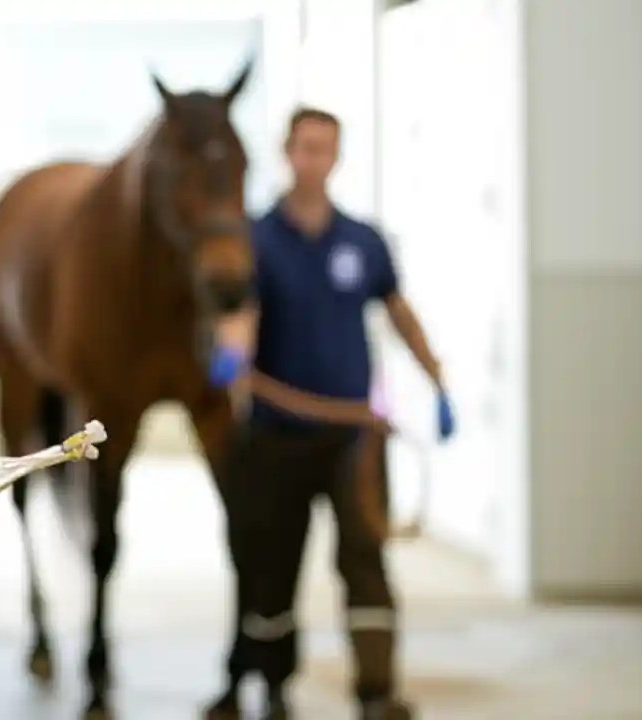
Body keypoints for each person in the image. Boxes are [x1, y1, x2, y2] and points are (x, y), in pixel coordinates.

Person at [209, 108, 456, 720]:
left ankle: (377, 692)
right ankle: (272, 688)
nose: (313, 159)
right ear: (286, 153)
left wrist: (436, 378)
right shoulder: (256, 239)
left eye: (325, 149)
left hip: (353, 441)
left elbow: (398, 311)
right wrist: (230, 356)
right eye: (303, 148)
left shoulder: (363, 241)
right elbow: (242, 316)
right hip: (274, 438)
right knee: (271, 571)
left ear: (336, 157)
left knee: (366, 564)